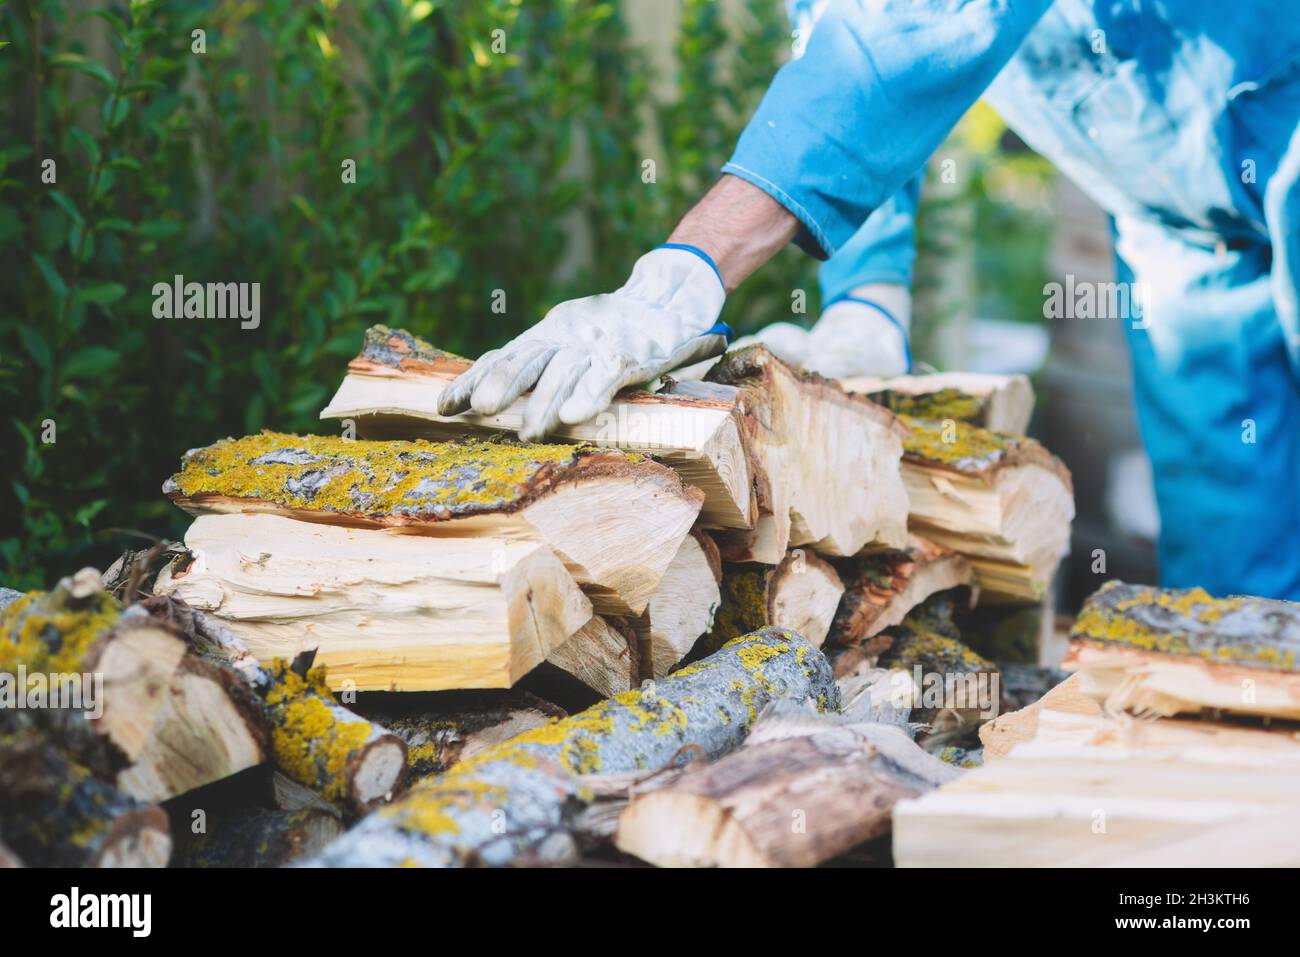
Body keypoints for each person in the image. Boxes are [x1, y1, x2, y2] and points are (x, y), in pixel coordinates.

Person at [439, 1, 1300, 601]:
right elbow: (848, 45)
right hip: (1174, 210)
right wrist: (869, 301)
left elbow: (911, 26)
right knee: (1236, 601)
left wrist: (685, 272)